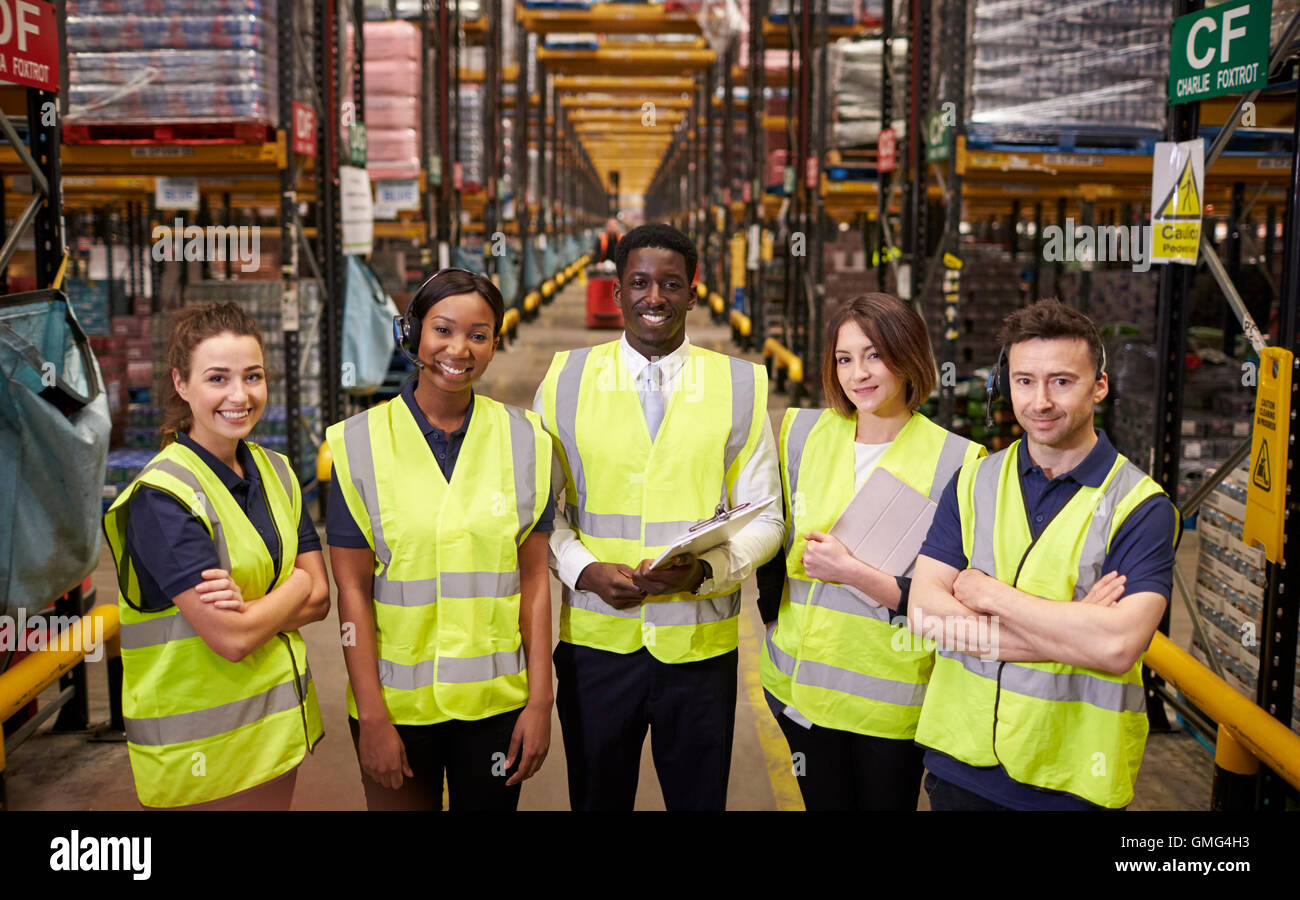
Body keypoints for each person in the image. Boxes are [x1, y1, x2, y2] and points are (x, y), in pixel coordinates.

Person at [535, 222, 784, 811]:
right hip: (596, 648)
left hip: (699, 652)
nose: (655, 298)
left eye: (670, 284)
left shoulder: (740, 384)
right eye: (640, 283)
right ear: (618, 292)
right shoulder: (564, 379)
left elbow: (766, 521)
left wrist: (707, 574)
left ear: (693, 293)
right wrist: (584, 571)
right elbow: (542, 516)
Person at [908, 298, 1177, 810]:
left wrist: (988, 593)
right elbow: (923, 612)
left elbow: (1118, 647)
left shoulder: (1141, 507)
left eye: (1061, 381)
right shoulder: (972, 483)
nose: (1040, 401)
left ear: (1099, 385)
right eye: (1025, 381)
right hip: (960, 764)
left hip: (1071, 778)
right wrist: (1075, 628)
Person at [326, 268, 554, 811]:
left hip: (496, 709)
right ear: (413, 334)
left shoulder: (527, 441)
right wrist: (372, 715)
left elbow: (535, 579)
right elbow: (351, 594)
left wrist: (541, 699)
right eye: (443, 330)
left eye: (478, 335)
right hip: (399, 714)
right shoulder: (358, 446)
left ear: (495, 343)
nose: (459, 348)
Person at [756, 293, 984, 810]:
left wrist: (852, 572)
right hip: (800, 689)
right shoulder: (804, 434)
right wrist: (770, 620)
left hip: (893, 701)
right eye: (844, 358)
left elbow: (956, 595)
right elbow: (777, 536)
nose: (858, 373)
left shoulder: (959, 462)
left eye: (875, 354)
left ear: (909, 357)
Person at [103, 302, 329, 810]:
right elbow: (231, 637)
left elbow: (322, 600)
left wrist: (259, 607)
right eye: (217, 378)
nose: (239, 395)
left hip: (275, 735)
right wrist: (290, 586)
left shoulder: (277, 472)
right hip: (198, 750)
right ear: (181, 384)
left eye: (253, 376)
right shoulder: (163, 497)